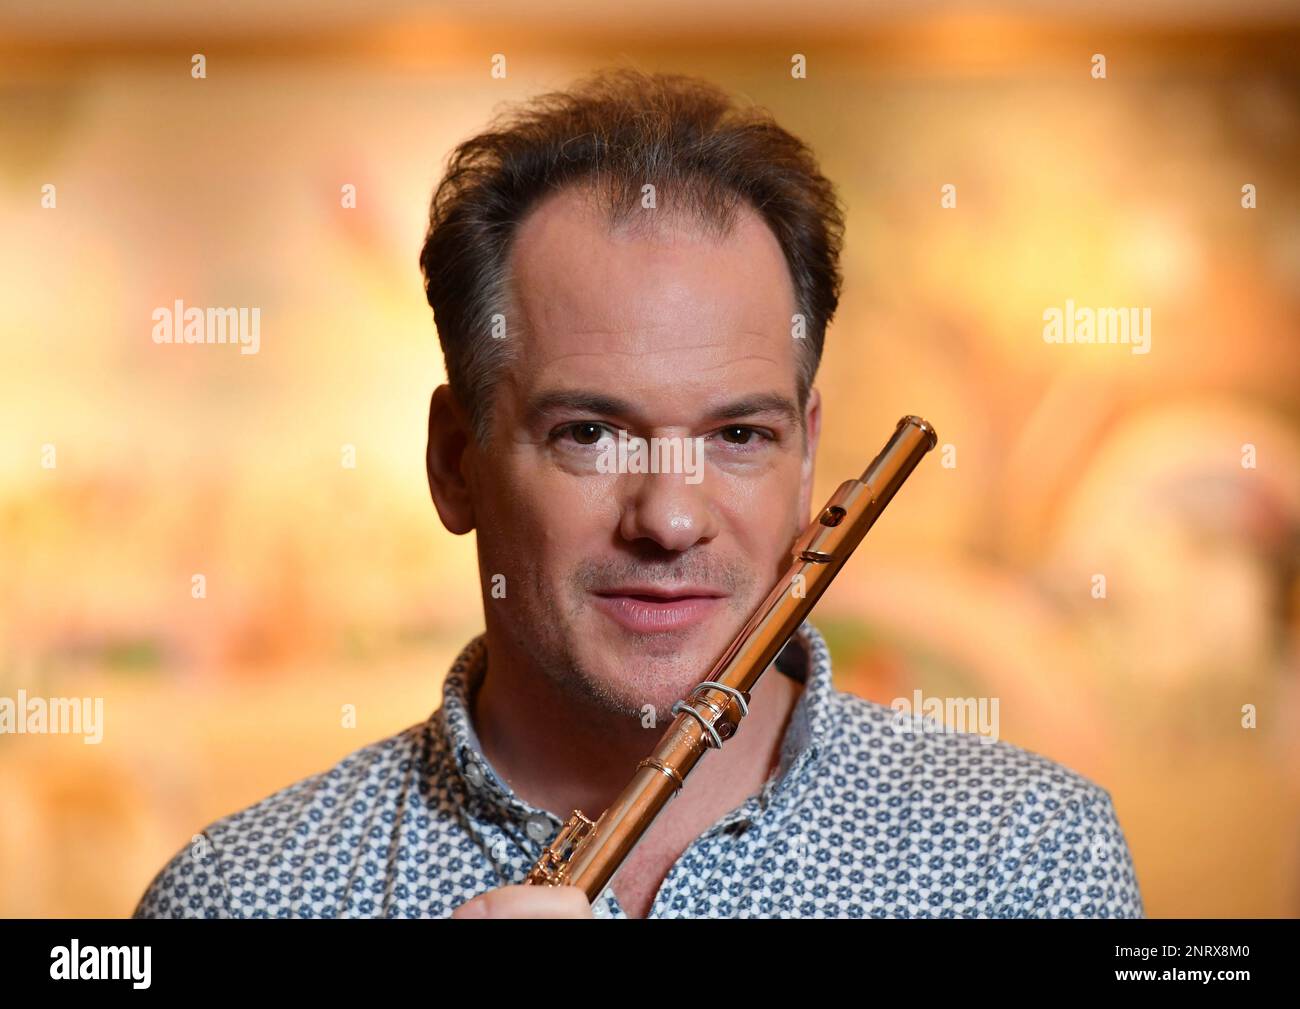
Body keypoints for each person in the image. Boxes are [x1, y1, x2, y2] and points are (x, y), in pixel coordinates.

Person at [133, 68, 1143, 919]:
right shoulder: (242, 895)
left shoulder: (1028, 861)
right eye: (590, 434)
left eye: (738, 435)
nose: (668, 517)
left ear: (805, 461)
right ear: (454, 460)